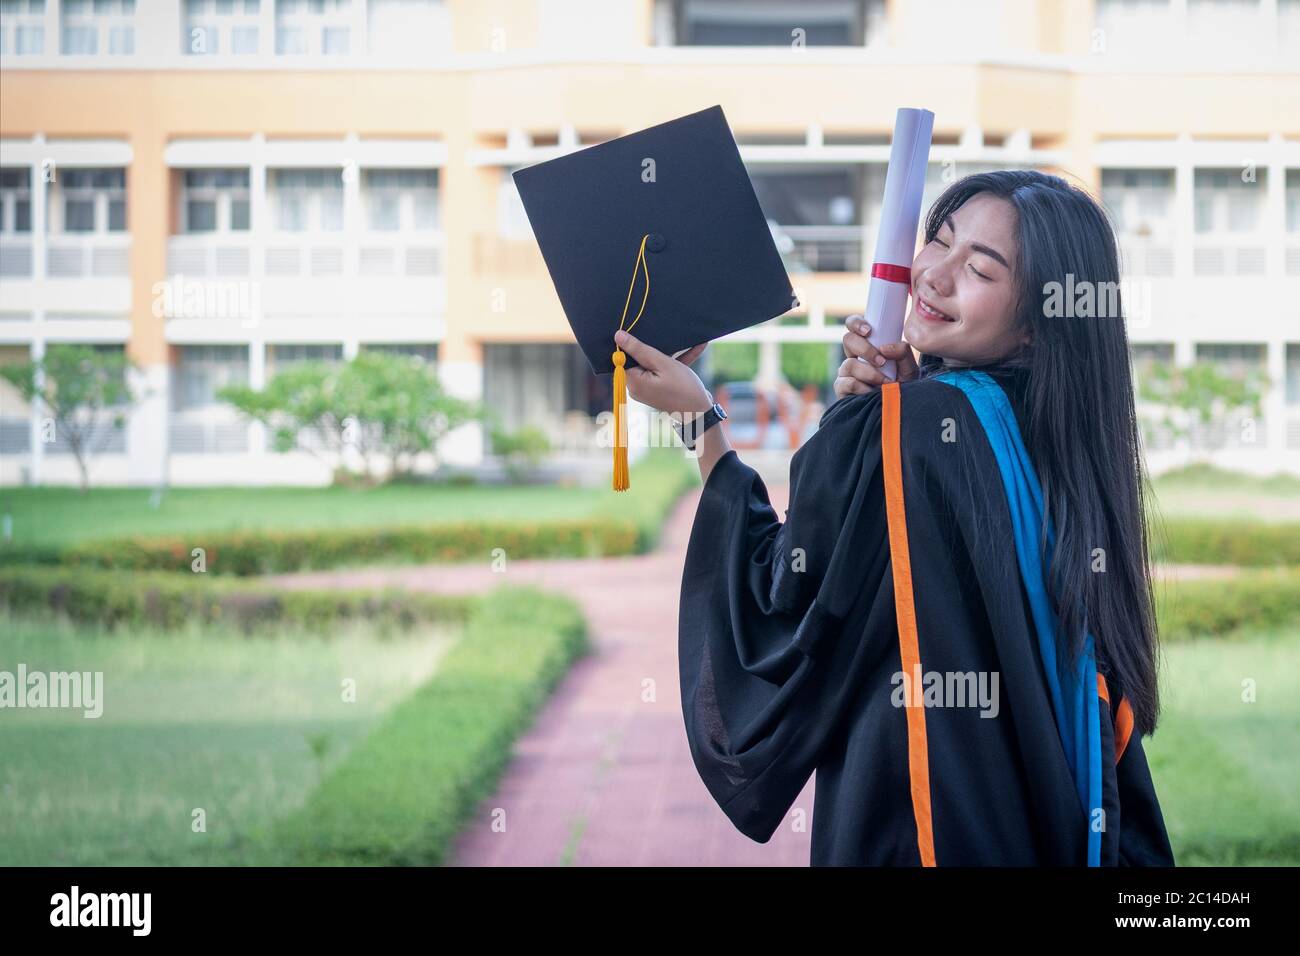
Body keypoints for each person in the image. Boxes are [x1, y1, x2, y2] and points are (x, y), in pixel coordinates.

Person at [613, 169, 1175, 866]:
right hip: (1043, 817)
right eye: (938, 241)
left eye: (980, 268)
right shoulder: (1062, 435)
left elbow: (783, 601)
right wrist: (884, 418)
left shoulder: (912, 428)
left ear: (1034, 323)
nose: (933, 276)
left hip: (913, 824)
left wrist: (701, 423)